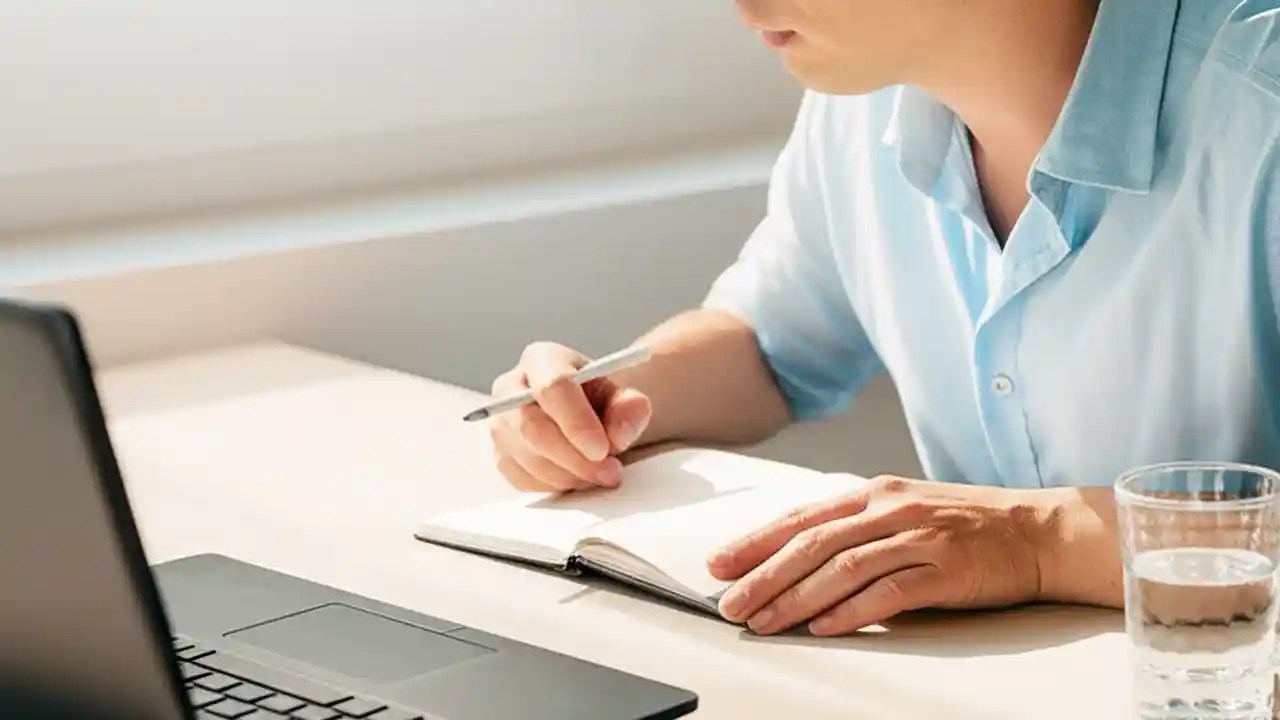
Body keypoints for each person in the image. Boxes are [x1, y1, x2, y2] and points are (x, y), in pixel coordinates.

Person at [486, 0, 1280, 637]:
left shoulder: (1262, 109)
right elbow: (767, 346)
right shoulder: (865, 105)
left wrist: (1040, 541)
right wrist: (600, 396)